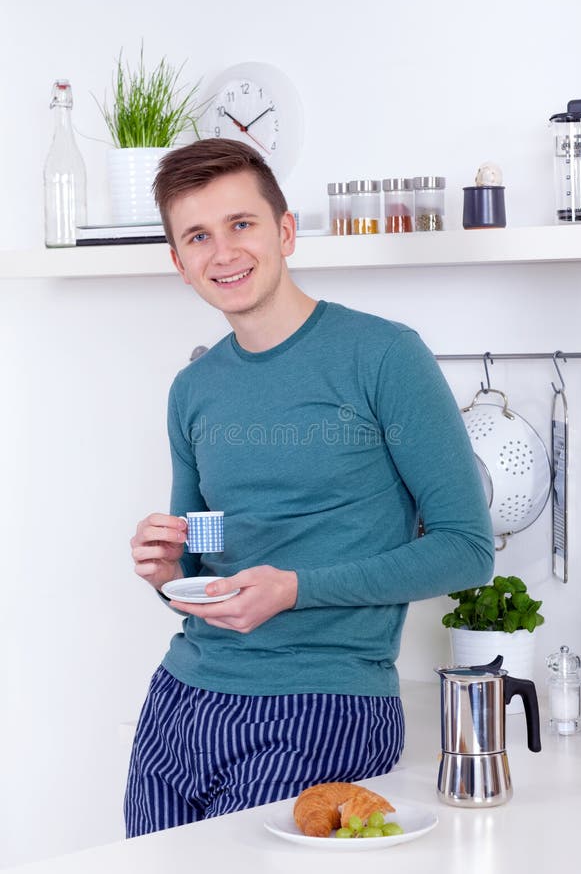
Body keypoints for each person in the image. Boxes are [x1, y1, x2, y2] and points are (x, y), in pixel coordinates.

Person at [126, 138, 494, 837]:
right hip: (180, 701)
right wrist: (168, 570)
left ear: (285, 231)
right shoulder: (193, 389)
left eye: (241, 224)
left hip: (320, 709)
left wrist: (295, 589)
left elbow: (467, 550)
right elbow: (202, 561)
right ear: (179, 263)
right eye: (198, 236)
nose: (223, 252)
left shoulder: (384, 355)